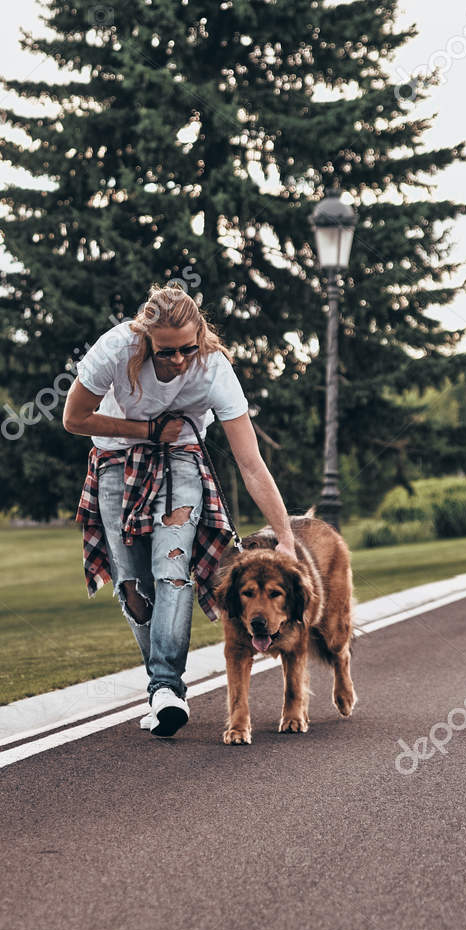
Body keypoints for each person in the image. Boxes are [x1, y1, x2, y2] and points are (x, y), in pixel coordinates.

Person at [65, 284, 298, 737]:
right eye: (165, 353)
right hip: (115, 461)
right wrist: (148, 429)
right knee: (133, 584)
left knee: (172, 570)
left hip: (183, 461)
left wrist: (284, 535)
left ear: (201, 335)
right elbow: (74, 419)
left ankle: (167, 688)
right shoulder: (116, 348)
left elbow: (250, 462)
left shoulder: (213, 369)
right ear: (144, 338)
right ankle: (162, 687)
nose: (177, 362)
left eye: (186, 350)